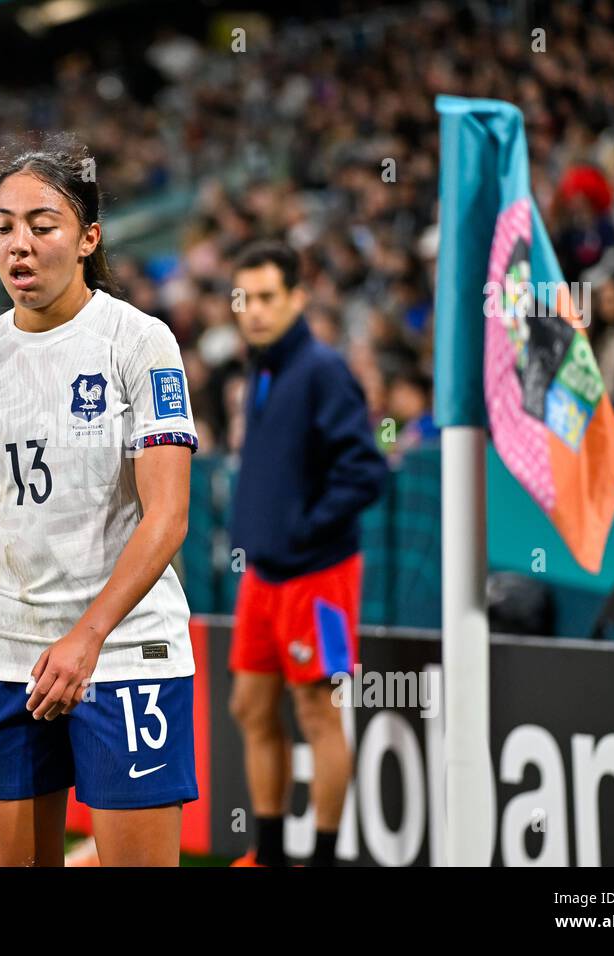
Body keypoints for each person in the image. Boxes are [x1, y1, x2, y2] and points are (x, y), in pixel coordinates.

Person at [0, 134, 198, 867]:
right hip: (3, 653)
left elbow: (168, 517)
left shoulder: (139, 344)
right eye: (2, 226)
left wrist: (88, 638)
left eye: (42, 226)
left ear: (87, 238)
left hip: (125, 652)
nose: (19, 244)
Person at [227, 240, 388, 867]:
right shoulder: (261, 367)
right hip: (264, 576)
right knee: (250, 706)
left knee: (319, 713)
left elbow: (366, 472)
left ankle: (321, 859)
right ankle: (267, 855)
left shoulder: (323, 369)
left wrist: (301, 529)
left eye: (268, 297)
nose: (255, 311)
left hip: (321, 576)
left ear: (297, 297)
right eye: (245, 298)